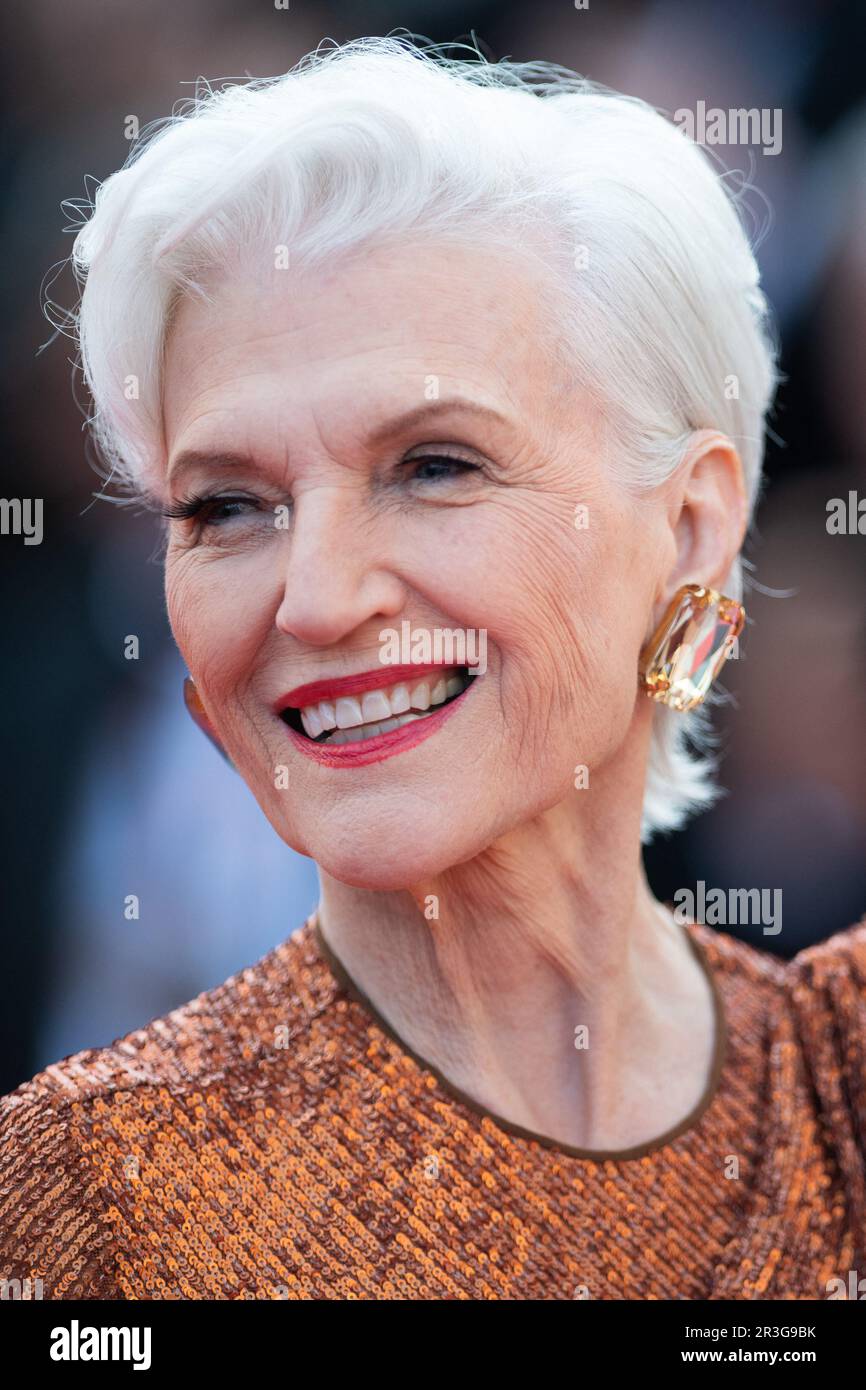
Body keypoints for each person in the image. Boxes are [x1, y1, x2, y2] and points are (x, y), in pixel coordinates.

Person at [1, 35, 863, 1301]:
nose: (315, 594)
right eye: (227, 508)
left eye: (434, 467)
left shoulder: (837, 1080)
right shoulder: (89, 1198)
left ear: (685, 526)